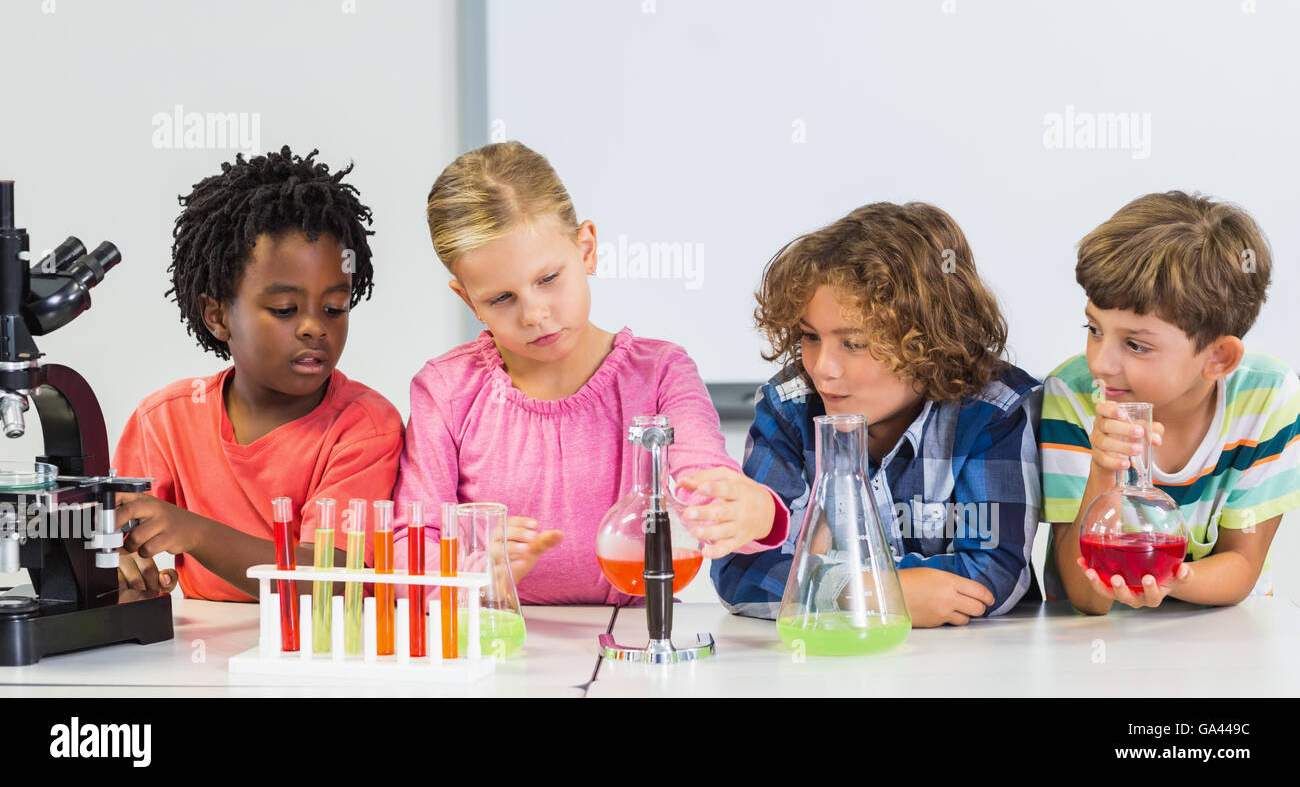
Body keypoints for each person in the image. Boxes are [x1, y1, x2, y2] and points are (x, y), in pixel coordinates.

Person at [393, 141, 789, 604]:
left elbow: (707, 483)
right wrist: (479, 569)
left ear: (586, 249)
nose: (535, 314)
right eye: (501, 299)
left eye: (547, 279)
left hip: (633, 639)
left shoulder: (661, 373)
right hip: (501, 642)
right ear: (468, 301)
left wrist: (754, 513)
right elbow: (407, 552)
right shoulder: (445, 391)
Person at [712, 203, 1042, 627]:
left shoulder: (992, 410)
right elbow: (739, 572)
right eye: (810, 337)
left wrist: (815, 580)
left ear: (931, 342)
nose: (822, 368)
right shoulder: (789, 406)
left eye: (854, 343)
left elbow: (994, 574)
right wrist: (870, 594)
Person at [114, 146, 402, 601]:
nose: (314, 327)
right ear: (217, 315)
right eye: (285, 309)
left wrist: (195, 534)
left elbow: (332, 578)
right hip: (204, 657)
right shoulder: (165, 421)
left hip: (317, 656)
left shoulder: (364, 427)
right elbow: (112, 533)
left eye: (334, 308)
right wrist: (123, 564)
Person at [1041, 191, 1299, 612]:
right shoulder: (1072, 395)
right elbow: (1088, 597)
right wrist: (1103, 468)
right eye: (1094, 328)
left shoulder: (1269, 398)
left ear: (1217, 357)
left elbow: (1242, 565)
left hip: (1224, 644)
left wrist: (1163, 577)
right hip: (1095, 648)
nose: (1101, 363)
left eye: (1137, 345)